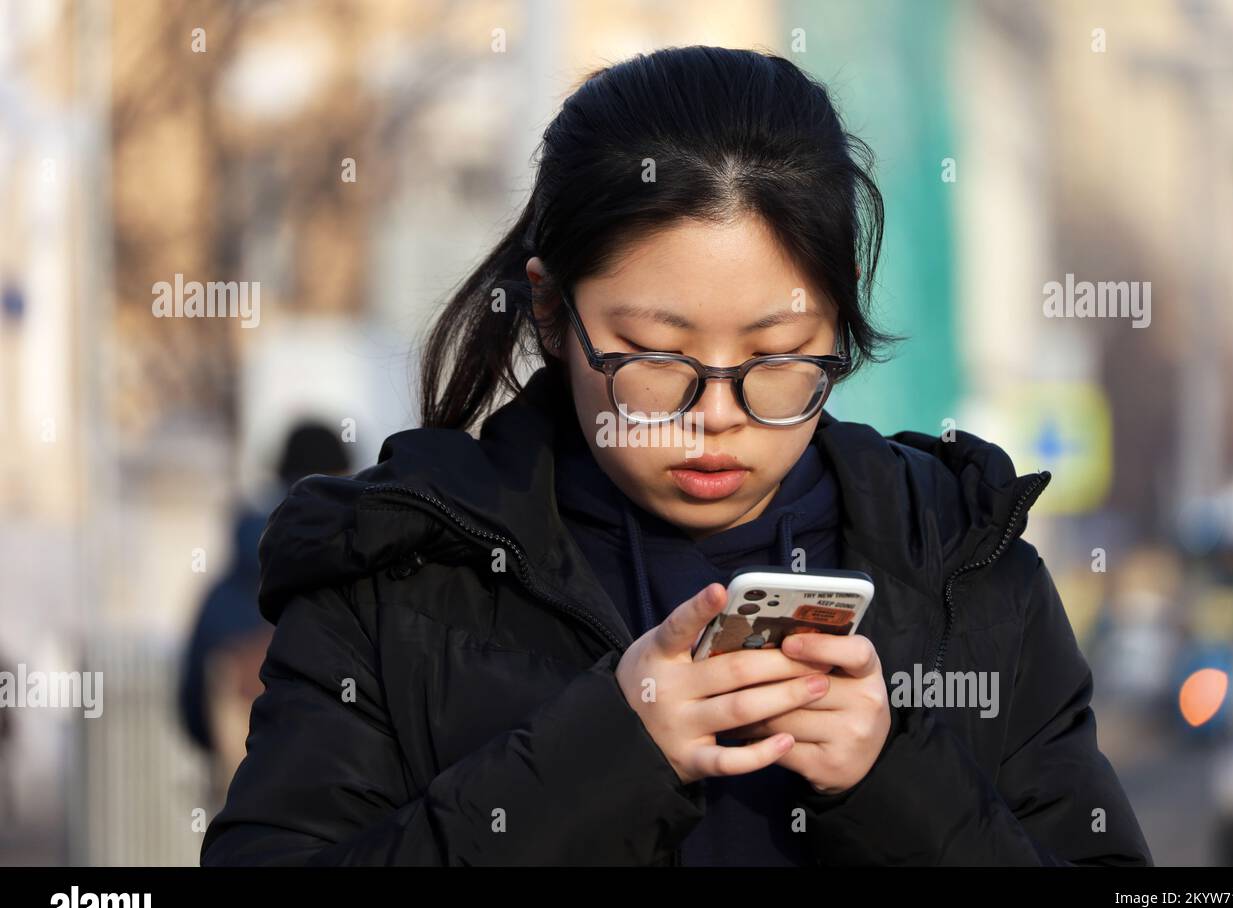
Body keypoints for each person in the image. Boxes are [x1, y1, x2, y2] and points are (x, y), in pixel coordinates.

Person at [200, 46, 1151, 866]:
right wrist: (609, 753)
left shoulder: (963, 566)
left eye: (780, 359)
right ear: (550, 311)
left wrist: (893, 781)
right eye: (657, 359)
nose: (719, 415)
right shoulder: (401, 573)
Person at [179, 420, 351, 809]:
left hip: (243, 809)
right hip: (339, 806)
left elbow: (191, 708)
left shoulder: (222, 593)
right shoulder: (352, 575)